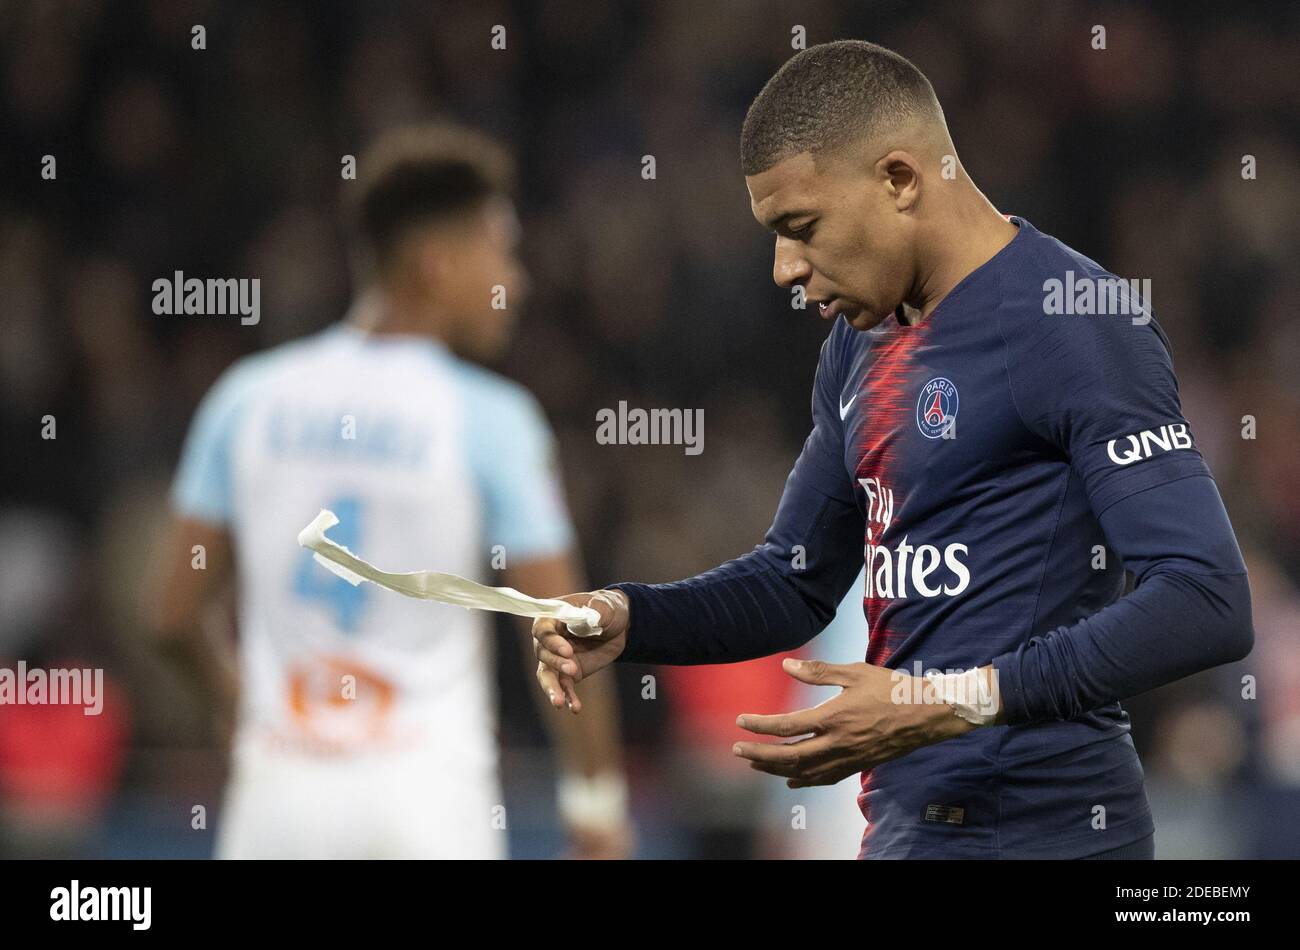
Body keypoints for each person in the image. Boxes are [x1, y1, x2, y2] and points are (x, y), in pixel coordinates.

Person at [532, 41, 1253, 859]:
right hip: (904, 836)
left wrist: (938, 702)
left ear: (900, 180)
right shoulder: (859, 345)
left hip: (1050, 836)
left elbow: (1205, 600)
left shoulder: (1075, 322)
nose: (783, 269)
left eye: (800, 228)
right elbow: (794, 580)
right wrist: (636, 617)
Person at [145, 123, 629, 859]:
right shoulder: (491, 418)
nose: (517, 280)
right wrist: (595, 805)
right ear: (435, 263)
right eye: (499, 250)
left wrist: (236, 699)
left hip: (277, 805)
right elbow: (566, 628)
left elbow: (171, 615)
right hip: (428, 807)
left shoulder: (247, 399)